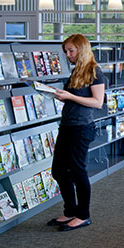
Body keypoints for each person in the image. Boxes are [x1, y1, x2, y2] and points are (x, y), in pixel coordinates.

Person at [49, 34, 105, 232]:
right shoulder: (76, 72)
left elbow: (97, 102)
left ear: (82, 49)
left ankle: (83, 215)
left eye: (71, 51)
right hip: (67, 125)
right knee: (58, 170)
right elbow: (73, 98)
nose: (68, 55)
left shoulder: (94, 71)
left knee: (77, 171)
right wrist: (60, 96)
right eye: (66, 51)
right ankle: (70, 210)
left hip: (81, 128)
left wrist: (71, 96)